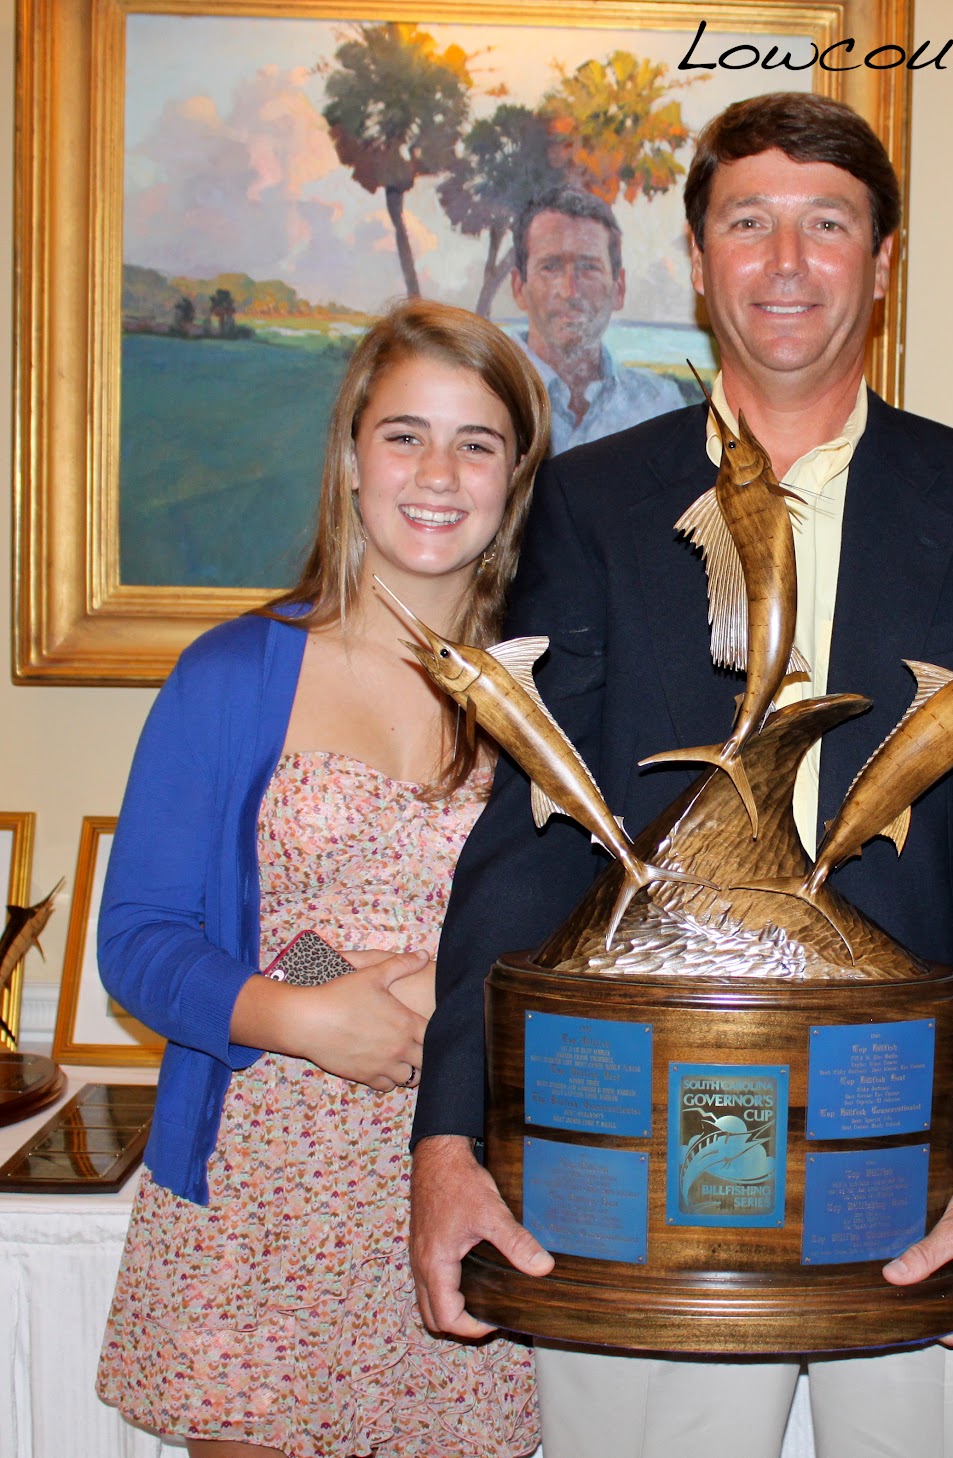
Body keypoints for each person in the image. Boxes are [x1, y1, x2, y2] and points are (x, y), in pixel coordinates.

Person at [411, 92, 953, 1458]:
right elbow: (530, 839)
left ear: (884, 264)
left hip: (914, 1160)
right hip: (633, 1171)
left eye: (828, 225)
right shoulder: (590, 508)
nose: (788, 262)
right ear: (703, 258)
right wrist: (449, 1138)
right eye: (751, 223)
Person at [95, 298, 550, 1458]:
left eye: (475, 442)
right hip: (260, 1197)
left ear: (515, 474)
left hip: (464, 1193)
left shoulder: (548, 700)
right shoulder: (235, 673)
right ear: (351, 455)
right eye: (404, 434)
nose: (436, 472)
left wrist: (472, 1021)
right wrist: (302, 1014)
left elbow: (589, 940)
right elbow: (142, 937)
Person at [509, 185, 688, 453]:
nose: (570, 291)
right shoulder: (487, 396)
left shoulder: (660, 406)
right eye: (550, 267)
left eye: (589, 267)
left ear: (619, 289)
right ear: (519, 288)